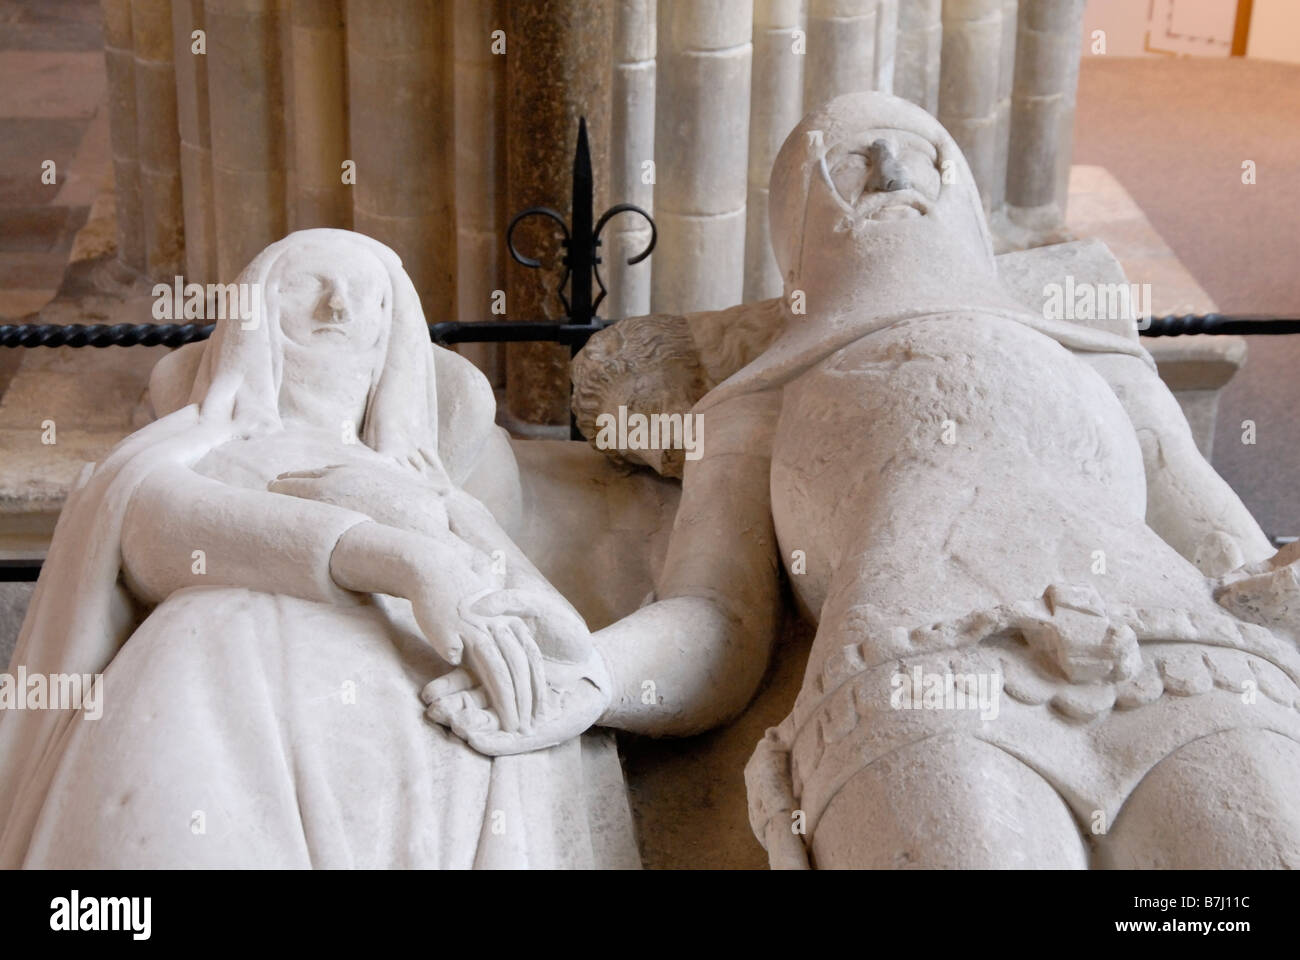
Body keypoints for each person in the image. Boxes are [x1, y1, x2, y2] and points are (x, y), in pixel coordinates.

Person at [434, 93, 1300, 869]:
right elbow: (719, 622)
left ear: (957, 187)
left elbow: (1228, 551)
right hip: (913, 672)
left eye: (920, 152)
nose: (890, 170)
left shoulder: (1093, 356)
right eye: (847, 162)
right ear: (797, 232)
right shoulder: (758, 397)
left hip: (1182, 658)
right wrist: (591, 673)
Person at [0, 229, 620, 869]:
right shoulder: (196, 448)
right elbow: (152, 527)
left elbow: (542, 619)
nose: (338, 309)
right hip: (215, 688)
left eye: (365, 295)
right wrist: (400, 559)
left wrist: (583, 677)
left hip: (407, 719)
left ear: (390, 331)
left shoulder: (434, 490)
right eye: (309, 285)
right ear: (255, 311)